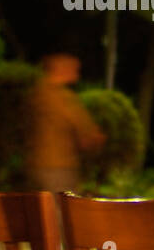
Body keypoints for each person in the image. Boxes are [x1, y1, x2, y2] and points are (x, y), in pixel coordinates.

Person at [27, 52, 105, 197]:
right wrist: (93, 136)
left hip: (41, 163)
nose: (77, 73)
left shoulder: (39, 91)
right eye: (73, 68)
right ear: (60, 69)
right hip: (57, 165)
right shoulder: (59, 97)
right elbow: (81, 126)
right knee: (62, 210)